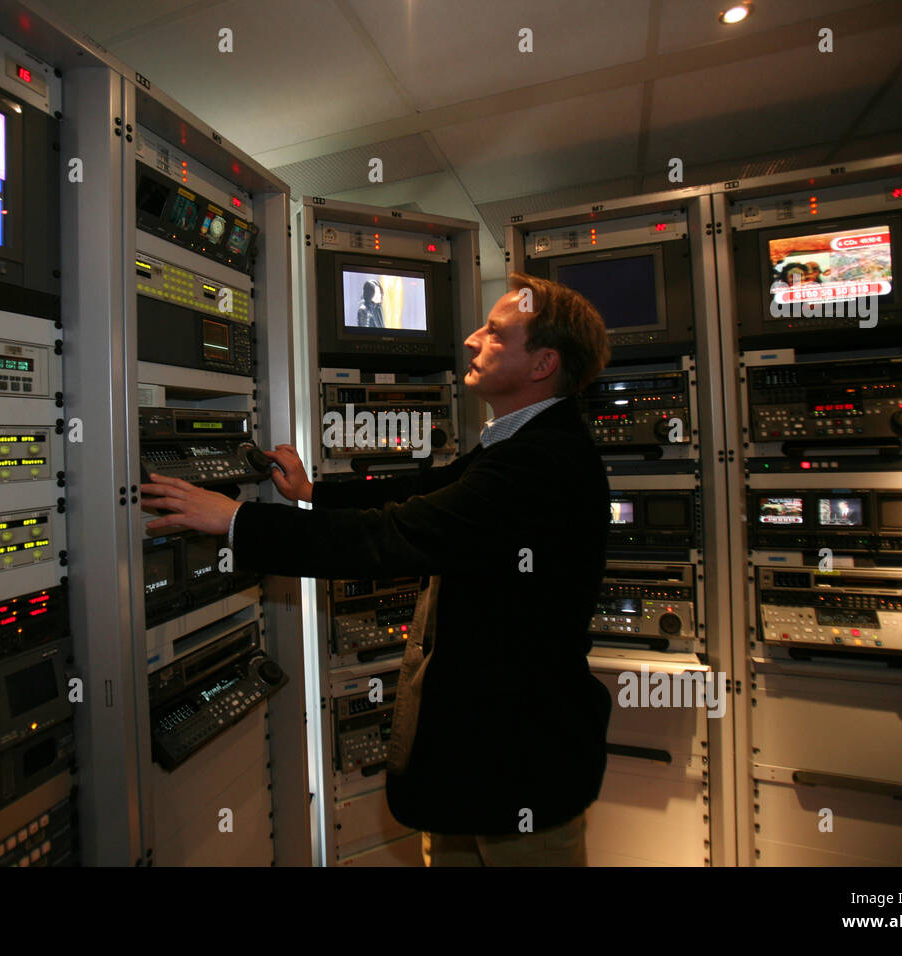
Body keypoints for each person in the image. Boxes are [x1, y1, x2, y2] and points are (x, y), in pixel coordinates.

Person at [140, 272, 614, 866]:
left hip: (519, 765)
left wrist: (237, 521)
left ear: (543, 363)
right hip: (481, 764)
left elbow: (396, 535)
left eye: (494, 333)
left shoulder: (543, 461)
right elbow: (425, 489)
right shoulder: (521, 441)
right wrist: (314, 491)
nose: (470, 339)